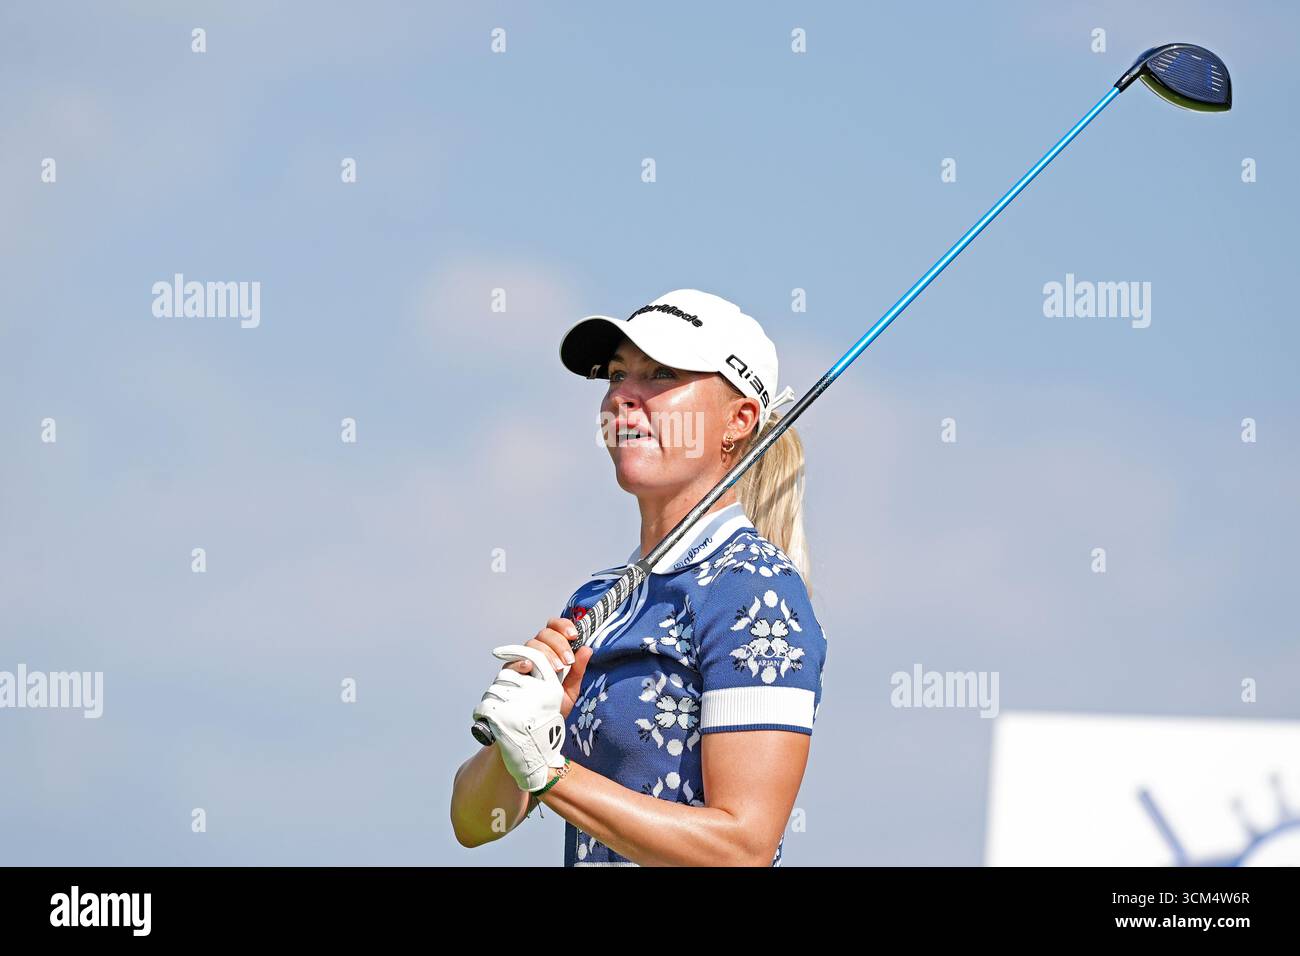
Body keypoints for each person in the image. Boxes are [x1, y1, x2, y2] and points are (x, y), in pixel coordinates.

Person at [451, 289, 828, 866]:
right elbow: (473, 822)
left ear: (739, 420)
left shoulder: (755, 590)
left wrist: (550, 772)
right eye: (618, 375)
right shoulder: (599, 599)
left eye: (660, 375)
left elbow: (742, 847)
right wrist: (522, 732)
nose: (623, 395)